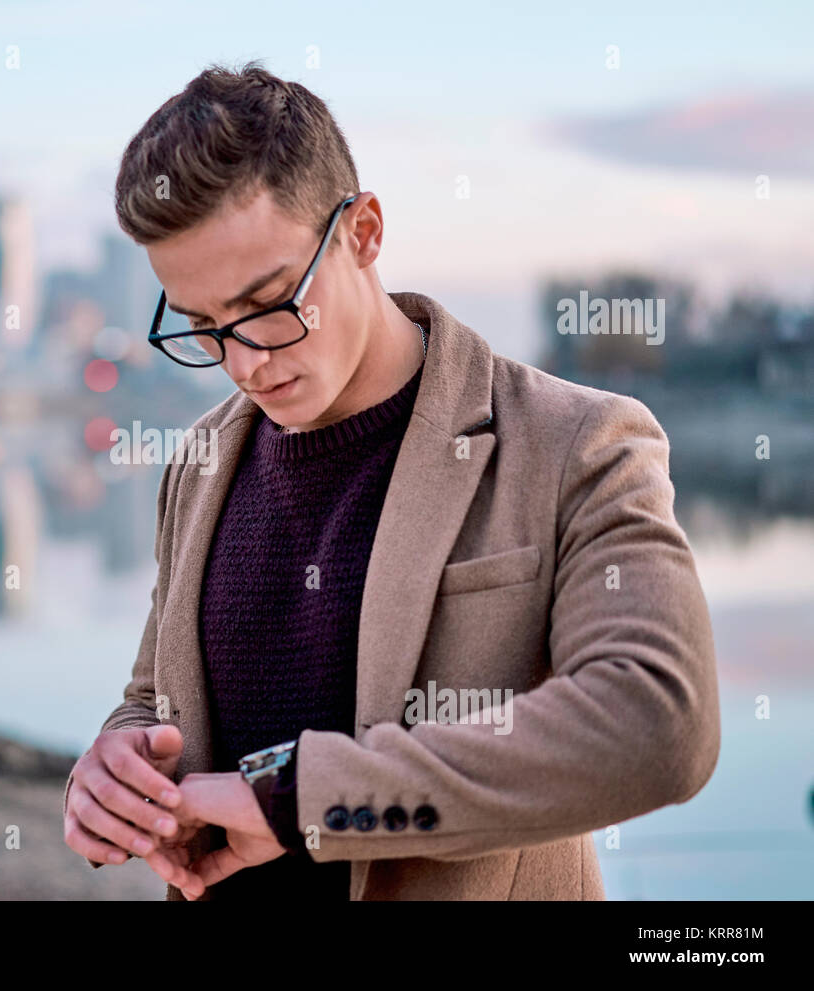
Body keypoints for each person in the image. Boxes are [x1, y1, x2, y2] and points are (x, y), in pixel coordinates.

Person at [62, 60, 720, 901]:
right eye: (204, 327)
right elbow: (153, 700)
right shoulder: (197, 460)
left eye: (269, 305)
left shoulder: (577, 442)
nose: (244, 362)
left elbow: (660, 724)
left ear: (364, 232)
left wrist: (307, 799)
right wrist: (110, 770)